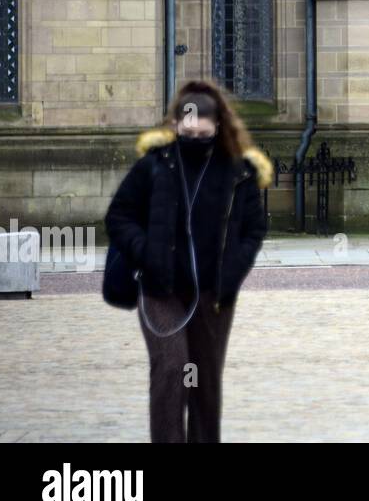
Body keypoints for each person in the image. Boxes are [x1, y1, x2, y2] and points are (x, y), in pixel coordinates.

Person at [104, 79, 271, 443]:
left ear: (217, 123)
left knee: (202, 377)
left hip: (212, 295)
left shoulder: (237, 170)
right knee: (173, 367)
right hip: (162, 290)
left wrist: (231, 273)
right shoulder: (156, 164)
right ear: (176, 123)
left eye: (201, 125)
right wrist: (147, 255)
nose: (193, 130)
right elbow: (119, 215)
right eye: (186, 124)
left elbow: (255, 228)